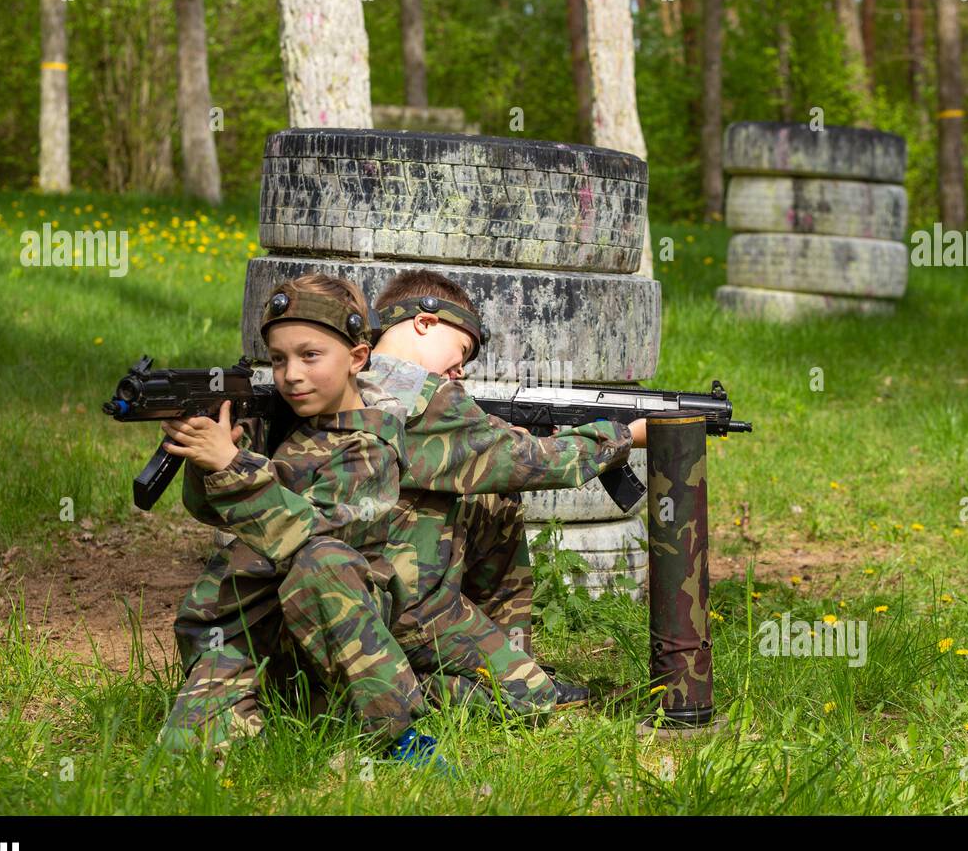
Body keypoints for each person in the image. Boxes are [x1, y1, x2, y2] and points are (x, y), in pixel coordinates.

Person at [157, 272, 442, 768]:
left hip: (339, 634)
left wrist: (233, 464)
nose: (291, 375)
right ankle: (285, 717)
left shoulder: (371, 446)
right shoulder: (280, 423)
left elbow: (306, 535)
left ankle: (403, 736)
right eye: (279, 359)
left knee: (319, 560)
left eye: (310, 356)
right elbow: (211, 509)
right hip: (256, 629)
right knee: (188, 752)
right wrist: (208, 455)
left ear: (357, 358)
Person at [360, 268, 647, 713]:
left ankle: (501, 655)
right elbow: (538, 462)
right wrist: (625, 434)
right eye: (462, 351)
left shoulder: (347, 377)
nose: (460, 369)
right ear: (425, 322)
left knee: (491, 495)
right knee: (531, 699)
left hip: (357, 589)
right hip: (408, 609)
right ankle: (397, 688)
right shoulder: (427, 396)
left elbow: (479, 458)